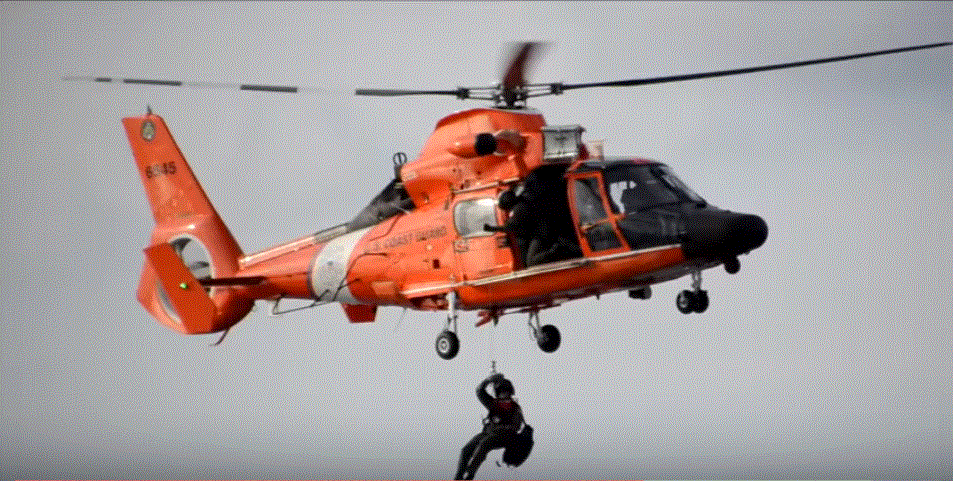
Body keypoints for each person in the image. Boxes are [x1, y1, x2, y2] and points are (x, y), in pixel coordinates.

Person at [454, 373, 527, 479]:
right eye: (501, 391)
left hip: (504, 437)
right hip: (488, 433)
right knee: (466, 449)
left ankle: (470, 475)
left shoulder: (515, 407)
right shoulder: (494, 403)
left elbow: (516, 426)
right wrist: (488, 380)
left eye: (506, 391)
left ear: (510, 392)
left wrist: (503, 428)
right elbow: (480, 392)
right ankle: (458, 476)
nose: (503, 393)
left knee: (483, 445)